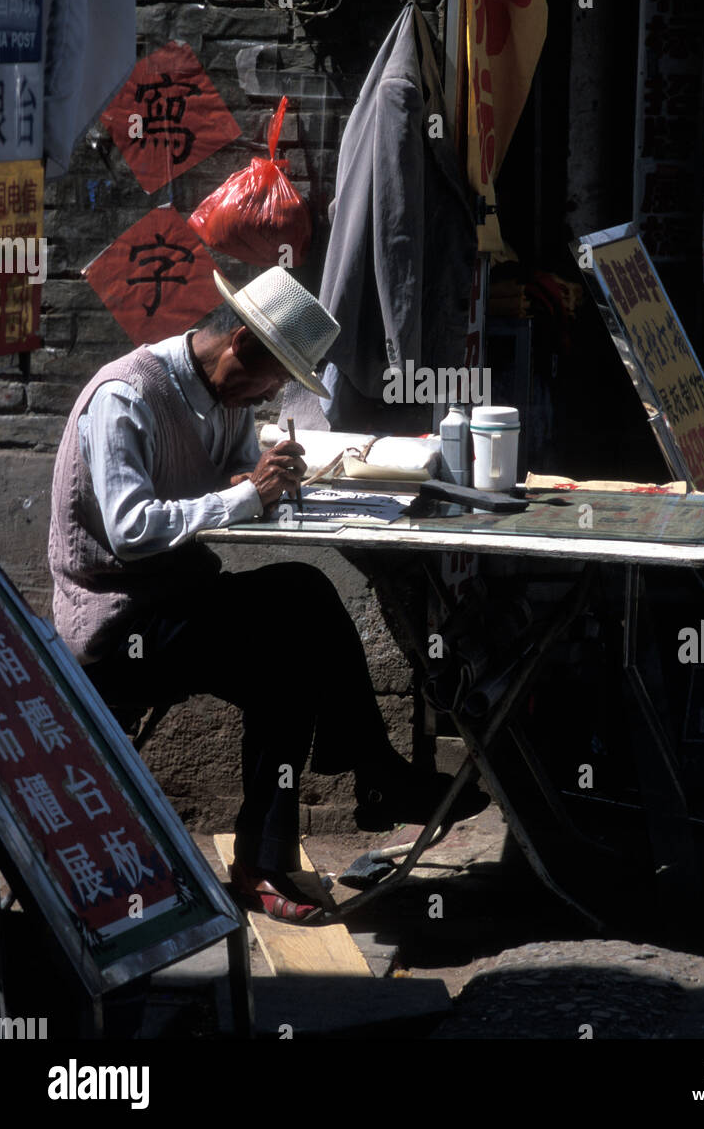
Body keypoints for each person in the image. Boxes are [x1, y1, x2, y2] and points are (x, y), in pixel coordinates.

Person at [48, 267, 485, 923]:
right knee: (293, 623)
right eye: (270, 379)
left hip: (180, 598)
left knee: (293, 625)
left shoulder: (224, 396)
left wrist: (275, 483)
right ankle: (356, 786)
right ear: (241, 346)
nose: (268, 393)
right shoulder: (127, 397)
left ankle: (293, 837)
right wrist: (248, 492)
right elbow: (131, 529)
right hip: (119, 623)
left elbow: (232, 482)